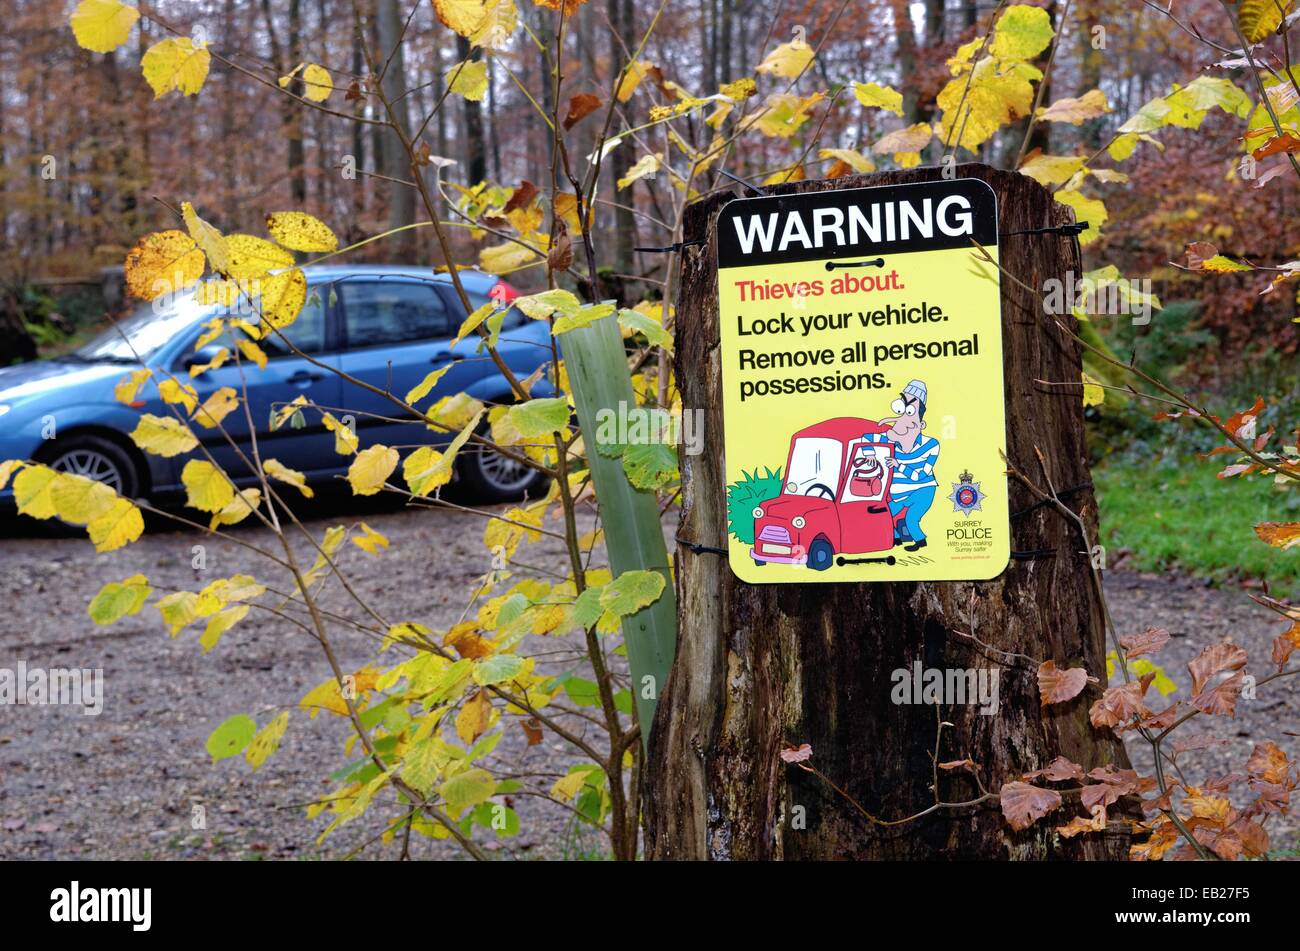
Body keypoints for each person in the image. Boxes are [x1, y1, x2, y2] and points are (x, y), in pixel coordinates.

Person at [862, 380, 939, 552]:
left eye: (910, 412)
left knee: (912, 518)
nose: (903, 421)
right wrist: (870, 454)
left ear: (921, 425)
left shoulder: (931, 445)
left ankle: (920, 541)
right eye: (901, 410)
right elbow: (865, 438)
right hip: (899, 494)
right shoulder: (890, 440)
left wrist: (899, 465)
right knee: (885, 513)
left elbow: (922, 476)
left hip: (923, 491)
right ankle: (895, 537)